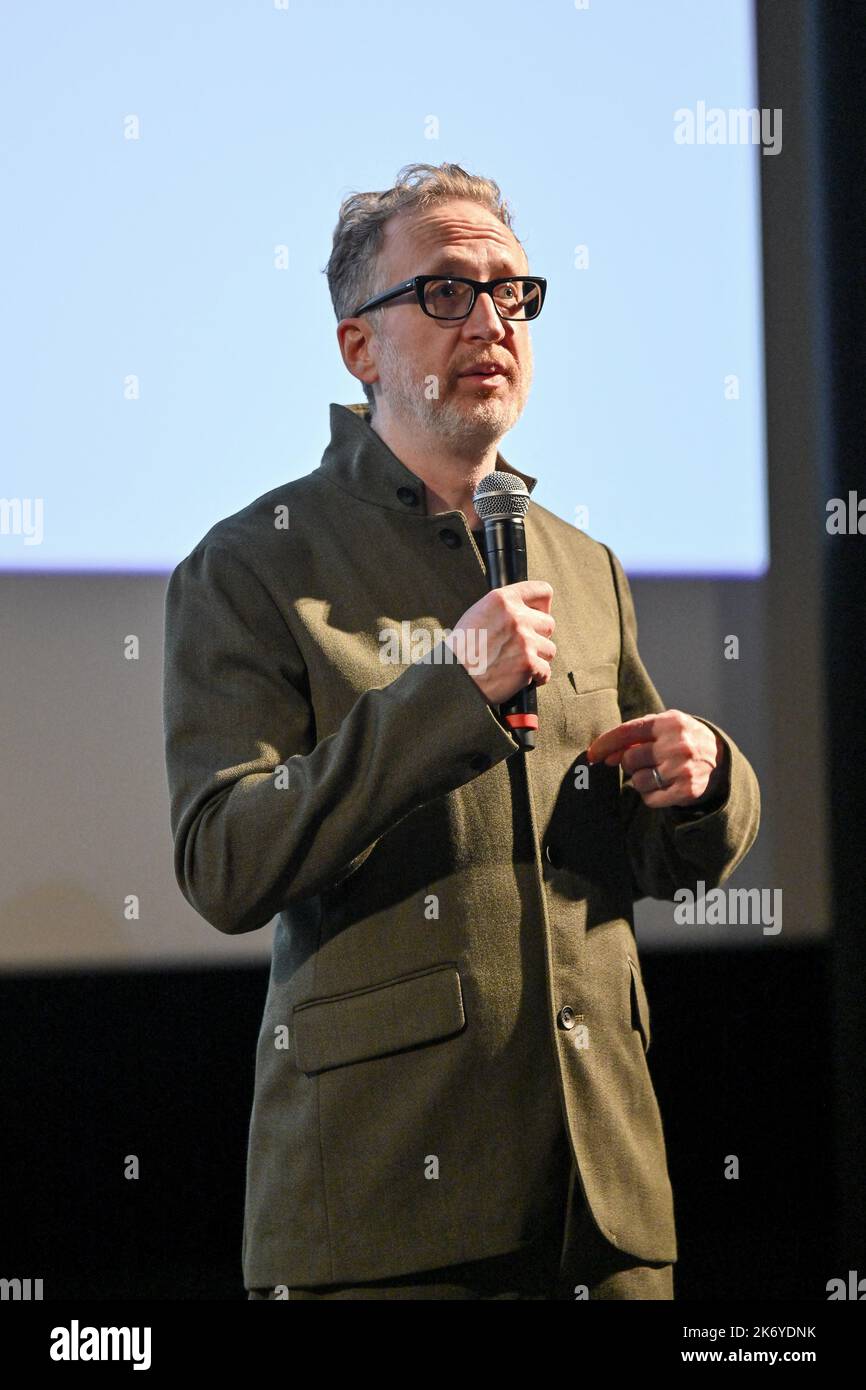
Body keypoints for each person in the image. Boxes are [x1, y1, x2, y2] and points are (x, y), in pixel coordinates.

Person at [162, 161, 760, 1300]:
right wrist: (447, 697)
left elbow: (638, 856)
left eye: (510, 292)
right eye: (444, 291)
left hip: (606, 1201)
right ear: (357, 348)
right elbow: (223, 860)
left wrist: (708, 781)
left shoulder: (582, 564)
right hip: (390, 1209)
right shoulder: (253, 564)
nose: (489, 319)